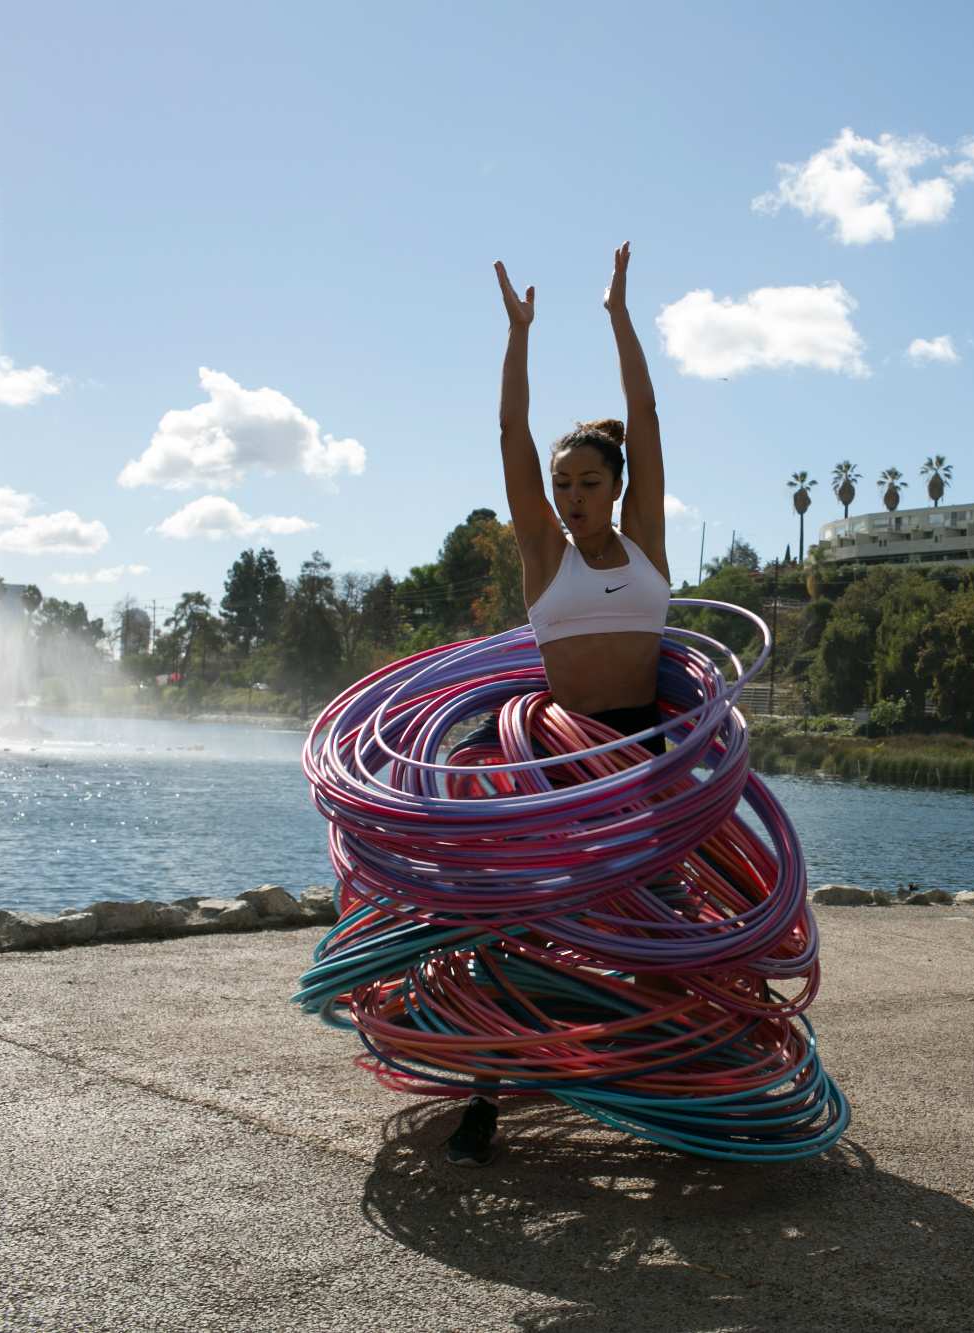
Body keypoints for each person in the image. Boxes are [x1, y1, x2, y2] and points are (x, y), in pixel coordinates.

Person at [442, 243, 670, 1168]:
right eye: (562, 485)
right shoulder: (545, 550)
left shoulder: (647, 538)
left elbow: (648, 415)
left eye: (588, 482)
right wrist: (518, 336)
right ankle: (486, 1095)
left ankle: (668, 1076)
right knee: (517, 923)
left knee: (657, 934)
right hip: (557, 766)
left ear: (617, 486)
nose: (571, 496)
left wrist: (619, 315)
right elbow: (510, 438)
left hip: (647, 761)